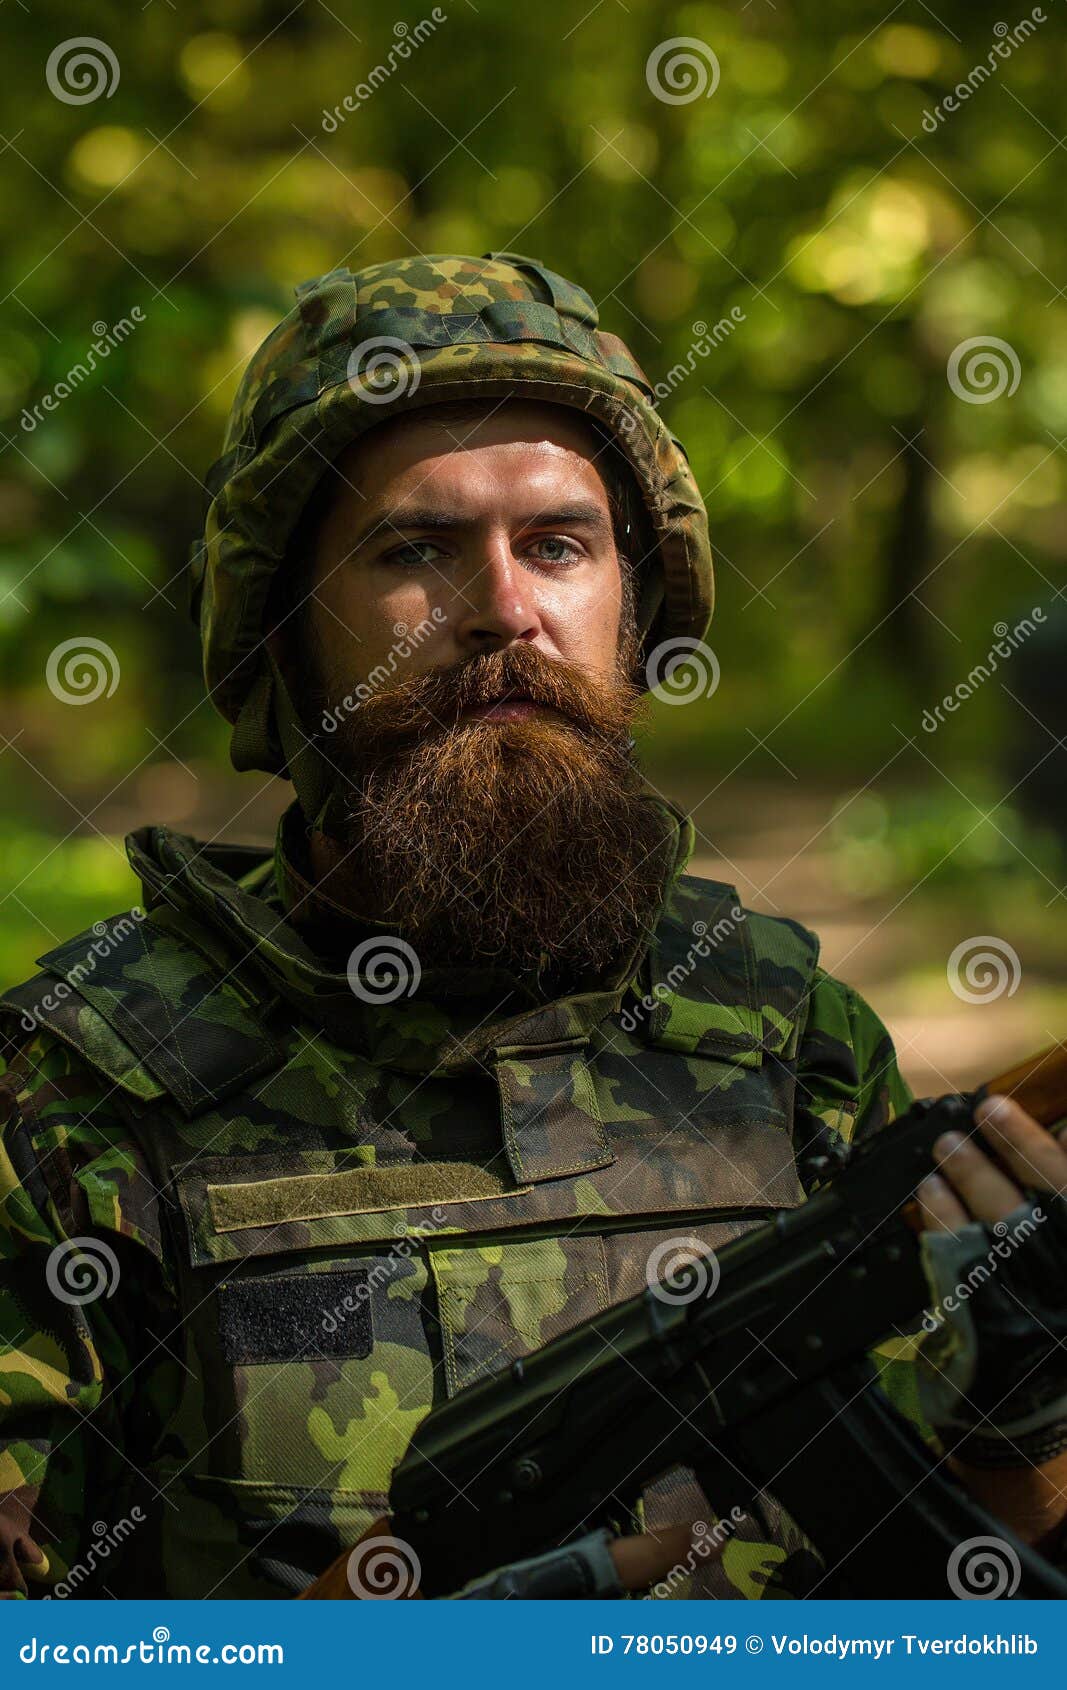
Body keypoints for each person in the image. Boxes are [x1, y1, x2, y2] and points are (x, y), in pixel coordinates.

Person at [1, 253, 1066, 1601]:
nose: (506, 612)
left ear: (637, 606)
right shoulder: (73, 1098)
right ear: (283, 630)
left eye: (558, 544)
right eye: (412, 551)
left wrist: (1013, 1424)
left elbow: (955, 1590)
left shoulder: (791, 1040)